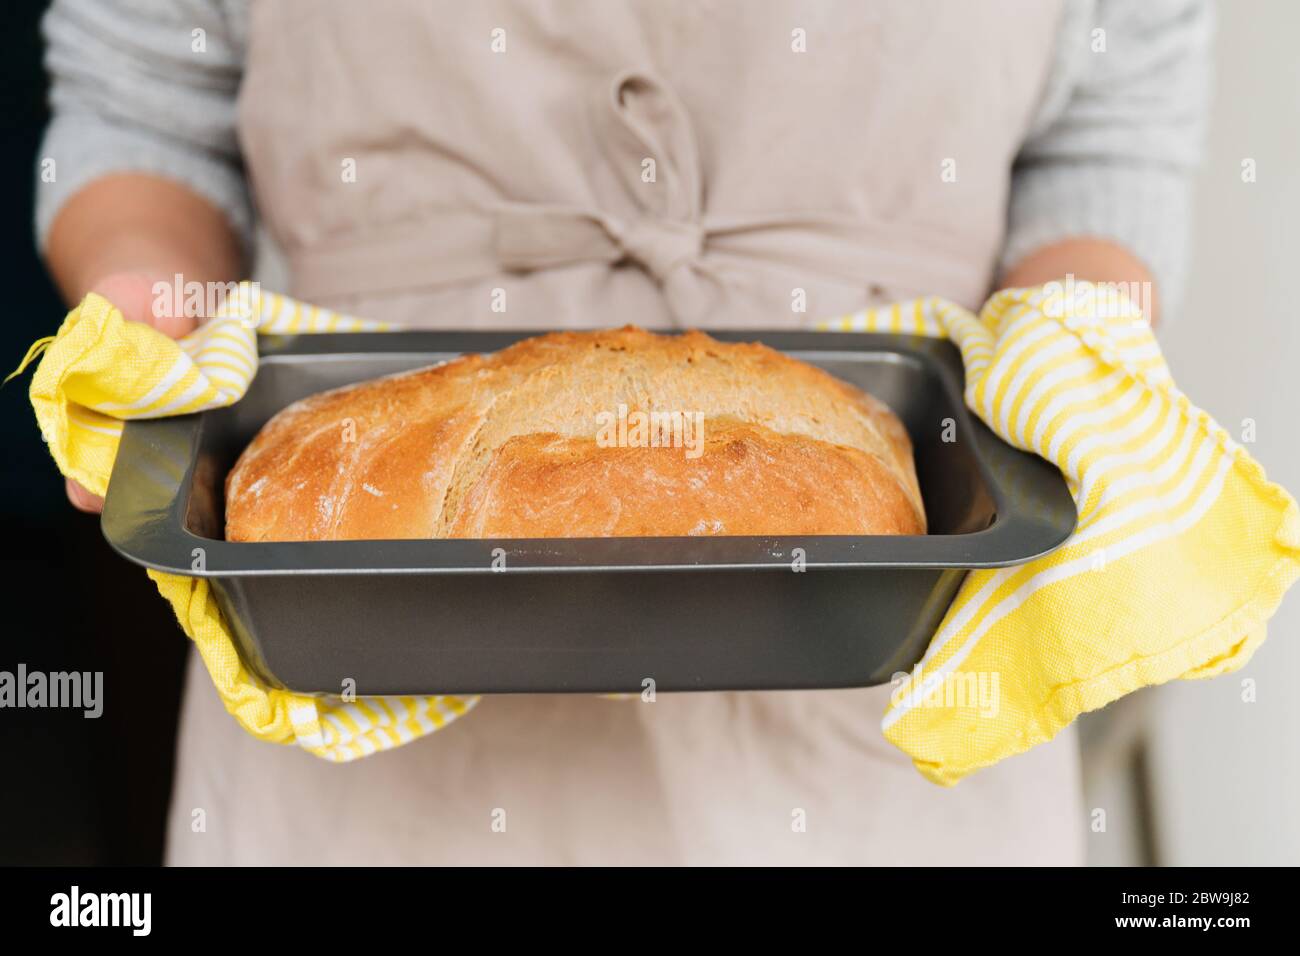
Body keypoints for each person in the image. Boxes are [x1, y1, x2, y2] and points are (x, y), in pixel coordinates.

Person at [38, 0, 1211, 865]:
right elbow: (139, 102)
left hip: (896, 740)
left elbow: (1106, 133)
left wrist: (1068, 356)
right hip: (350, 740)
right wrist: (151, 309)